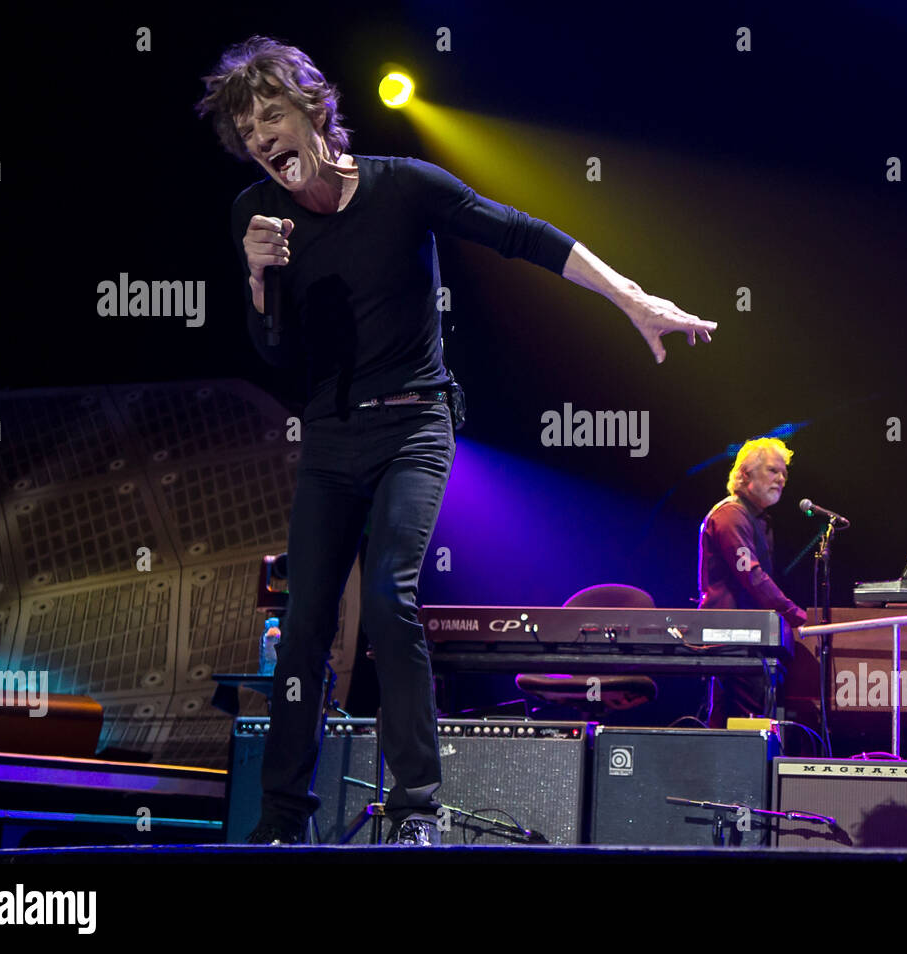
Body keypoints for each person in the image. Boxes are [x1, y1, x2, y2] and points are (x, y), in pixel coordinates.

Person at [196, 36, 716, 845]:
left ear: (312, 107)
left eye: (271, 115)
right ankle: (280, 819)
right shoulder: (254, 219)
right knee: (304, 625)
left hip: (413, 420)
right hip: (332, 438)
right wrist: (258, 279)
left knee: (389, 599)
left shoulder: (405, 187)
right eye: (246, 130)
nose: (262, 138)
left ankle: (414, 811)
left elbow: (521, 232)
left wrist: (633, 298)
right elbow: (274, 352)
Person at [697, 437, 807, 727]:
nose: (781, 479)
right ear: (746, 474)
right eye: (773, 471)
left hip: (746, 635)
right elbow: (753, 576)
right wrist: (793, 615)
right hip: (730, 636)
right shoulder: (731, 515)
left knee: (745, 717)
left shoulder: (756, 518)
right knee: (740, 717)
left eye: (784, 473)